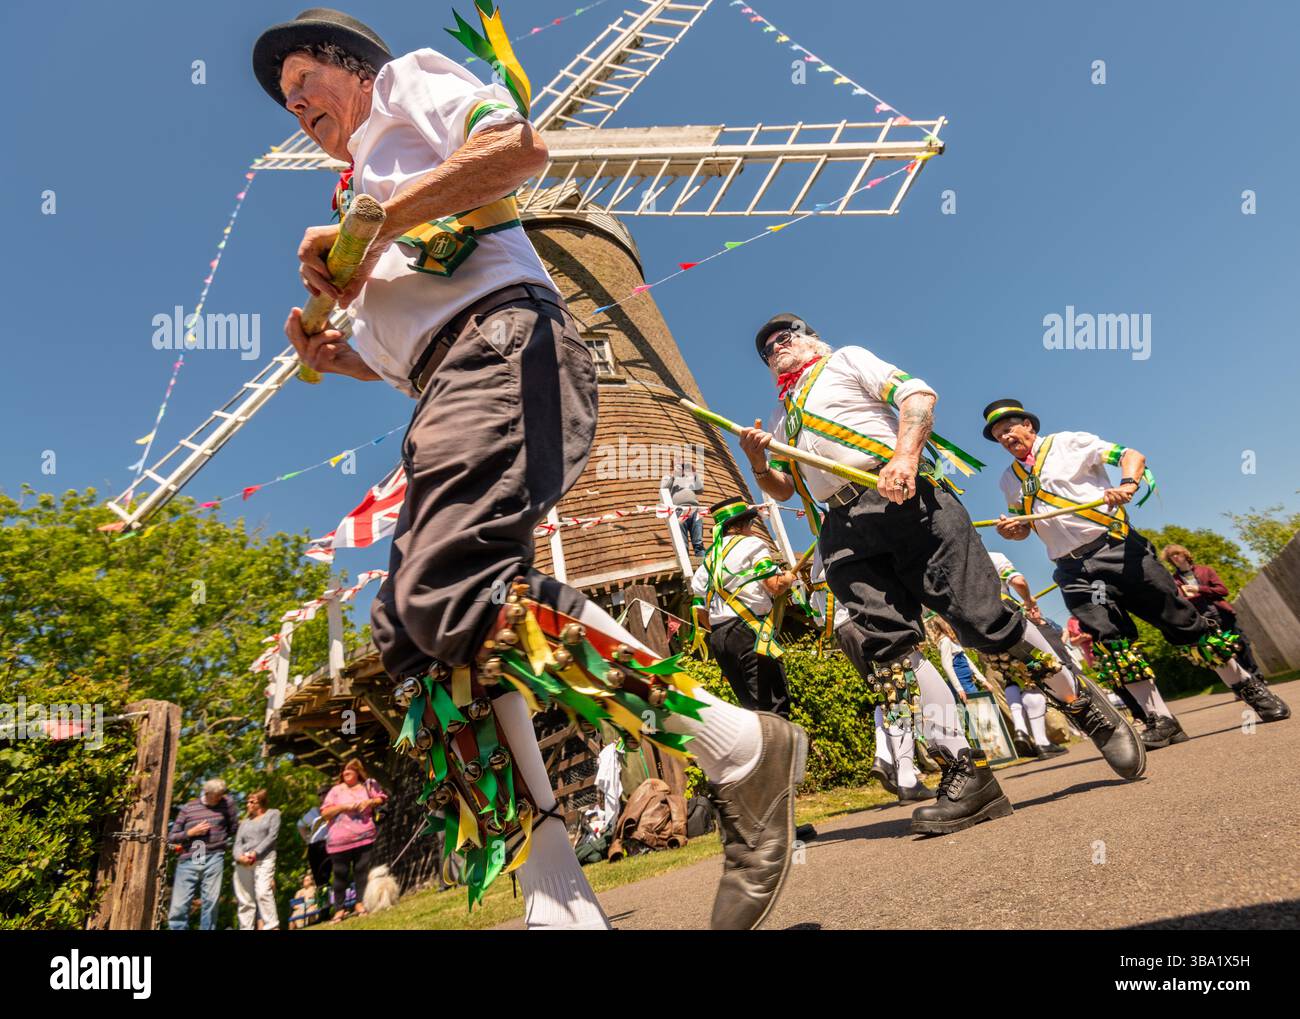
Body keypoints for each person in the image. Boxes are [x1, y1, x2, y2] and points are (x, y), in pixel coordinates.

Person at [253, 6, 807, 930]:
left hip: (507, 340)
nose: (294, 103)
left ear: (355, 68)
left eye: (304, 79)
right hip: (447, 377)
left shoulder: (409, 88)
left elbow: (515, 150)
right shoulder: (364, 191)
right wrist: (331, 344)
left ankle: (736, 745)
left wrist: (376, 219)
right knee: (419, 629)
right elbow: (404, 356)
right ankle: (556, 886)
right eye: (284, 99)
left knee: (437, 591)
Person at [741, 315, 1144, 835]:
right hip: (841, 526)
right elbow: (787, 491)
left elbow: (917, 397)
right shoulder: (781, 416)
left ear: (811, 337)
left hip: (904, 495)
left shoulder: (847, 359)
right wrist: (757, 464)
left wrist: (905, 457)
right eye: (767, 347)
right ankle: (965, 771)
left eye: (786, 335)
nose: (777, 346)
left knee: (983, 619)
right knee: (885, 649)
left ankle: (1081, 703)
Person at [984, 398, 1291, 738]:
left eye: (1009, 427)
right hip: (1071, 569)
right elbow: (1027, 525)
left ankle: (1250, 689)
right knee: (1111, 642)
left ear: (1028, 425)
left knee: (1180, 619)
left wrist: (1128, 483)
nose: (1005, 436)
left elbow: (1132, 456)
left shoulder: (1069, 443)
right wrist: (1014, 530)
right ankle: (1161, 720)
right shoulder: (1008, 481)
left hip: (1118, 549)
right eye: (998, 434)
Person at [808, 553, 935, 802]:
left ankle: (885, 755)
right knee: (902, 692)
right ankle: (905, 775)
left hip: (842, 631)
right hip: (866, 623)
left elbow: (815, 608)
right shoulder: (845, 538)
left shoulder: (817, 560)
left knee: (885, 694)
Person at [690, 497, 796, 716]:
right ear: (739, 526)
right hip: (749, 632)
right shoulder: (752, 545)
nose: (752, 529)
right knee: (774, 707)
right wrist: (786, 579)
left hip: (719, 638)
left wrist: (725, 631)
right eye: (750, 524)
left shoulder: (708, 561)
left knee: (750, 710)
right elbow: (773, 585)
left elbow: (699, 609)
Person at [1162, 544, 1267, 684]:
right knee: (1221, 652)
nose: (1174, 557)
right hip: (1204, 621)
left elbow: (1223, 590)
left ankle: (1257, 677)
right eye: (1171, 556)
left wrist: (1199, 589)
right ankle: (1243, 683)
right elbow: (1181, 601)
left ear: (1184, 554)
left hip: (1222, 614)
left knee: (1241, 644)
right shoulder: (1174, 580)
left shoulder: (1205, 570)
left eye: (1176, 553)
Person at [166, 778, 240, 930]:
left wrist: (221, 839)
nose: (220, 797)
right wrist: (191, 832)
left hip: (214, 855)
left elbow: (234, 828)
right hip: (190, 856)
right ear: (206, 793)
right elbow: (172, 837)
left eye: (222, 794)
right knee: (179, 905)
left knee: (210, 902)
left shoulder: (227, 804)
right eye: (217, 795)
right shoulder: (189, 808)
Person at [321, 759, 388, 922]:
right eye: (344, 770)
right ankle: (339, 909)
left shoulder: (368, 785)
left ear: (358, 772)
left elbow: (381, 798)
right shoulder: (336, 791)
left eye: (349, 770)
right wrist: (344, 807)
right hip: (339, 840)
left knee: (361, 872)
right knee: (340, 875)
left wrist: (369, 801)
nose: (345, 773)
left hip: (364, 836)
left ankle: (360, 904)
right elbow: (325, 813)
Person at [233, 789, 282, 931]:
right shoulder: (244, 822)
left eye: (252, 801)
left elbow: (272, 836)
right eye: (247, 801)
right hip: (244, 862)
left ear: (260, 802)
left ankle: (272, 926)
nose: (248, 804)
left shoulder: (273, 814)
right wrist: (240, 857)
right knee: (245, 900)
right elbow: (237, 844)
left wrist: (256, 852)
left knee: (263, 892)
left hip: (264, 859)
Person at [661, 460, 707, 557]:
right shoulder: (668, 477)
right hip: (680, 511)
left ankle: (704, 566)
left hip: (695, 510)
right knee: (682, 543)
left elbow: (700, 490)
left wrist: (695, 473)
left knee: (698, 542)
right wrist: (674, 476)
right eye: (678, 465)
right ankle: (687, 567)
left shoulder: (689, 478)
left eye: (682, 466)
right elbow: (663, 488)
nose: (681, 468)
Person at [296, 785, 332, 889]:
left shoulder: (339, 807)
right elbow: (300, 825)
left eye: (325, 792)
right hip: (316, 845)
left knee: (338, 872)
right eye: (320, 794)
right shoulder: (315, 811)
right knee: (320, 878)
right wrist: (307, 839)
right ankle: (324, 900)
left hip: (334, 843)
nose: (322, 796)